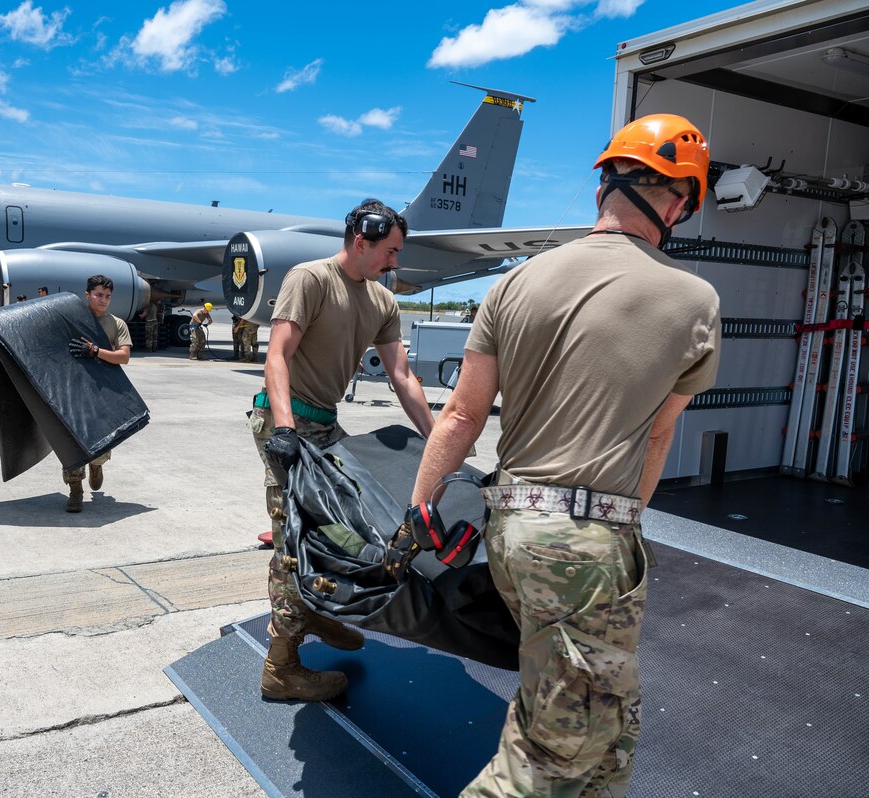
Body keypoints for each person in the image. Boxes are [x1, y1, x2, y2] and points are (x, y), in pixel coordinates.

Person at [396, 114, 720, 797]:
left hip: (510, 525)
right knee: (556, 748)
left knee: (609, 728)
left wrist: (420, 508)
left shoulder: (516, 283)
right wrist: (615, 530)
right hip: (587, 541)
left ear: (604, 184)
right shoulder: (693, 299)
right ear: (678, 198)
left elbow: (460, 415)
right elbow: (658, 437)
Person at [252, 198, 435, 701]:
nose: (395, 261)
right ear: (362, 241)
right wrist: (285, 431)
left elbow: (401, 375)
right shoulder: (309, 279)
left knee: (343, 530)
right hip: (285, 423)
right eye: (390, 251)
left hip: (327, 427)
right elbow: (278, 355)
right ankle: (281, 668)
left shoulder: (382, 301)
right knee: (293, 541)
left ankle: (313, 610)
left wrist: (440, 442)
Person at [61, 274, 133, 513]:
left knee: (100, 441)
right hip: (73, 390)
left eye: (107, 296)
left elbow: (123, 356)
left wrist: (95, 350)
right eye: (98, 295)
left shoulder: (116, 324)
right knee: (70, 441)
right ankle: (75, 490)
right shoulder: (72, 319)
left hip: (102, 391)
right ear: (87, 295)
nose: (103, 300)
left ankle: (97, 464)